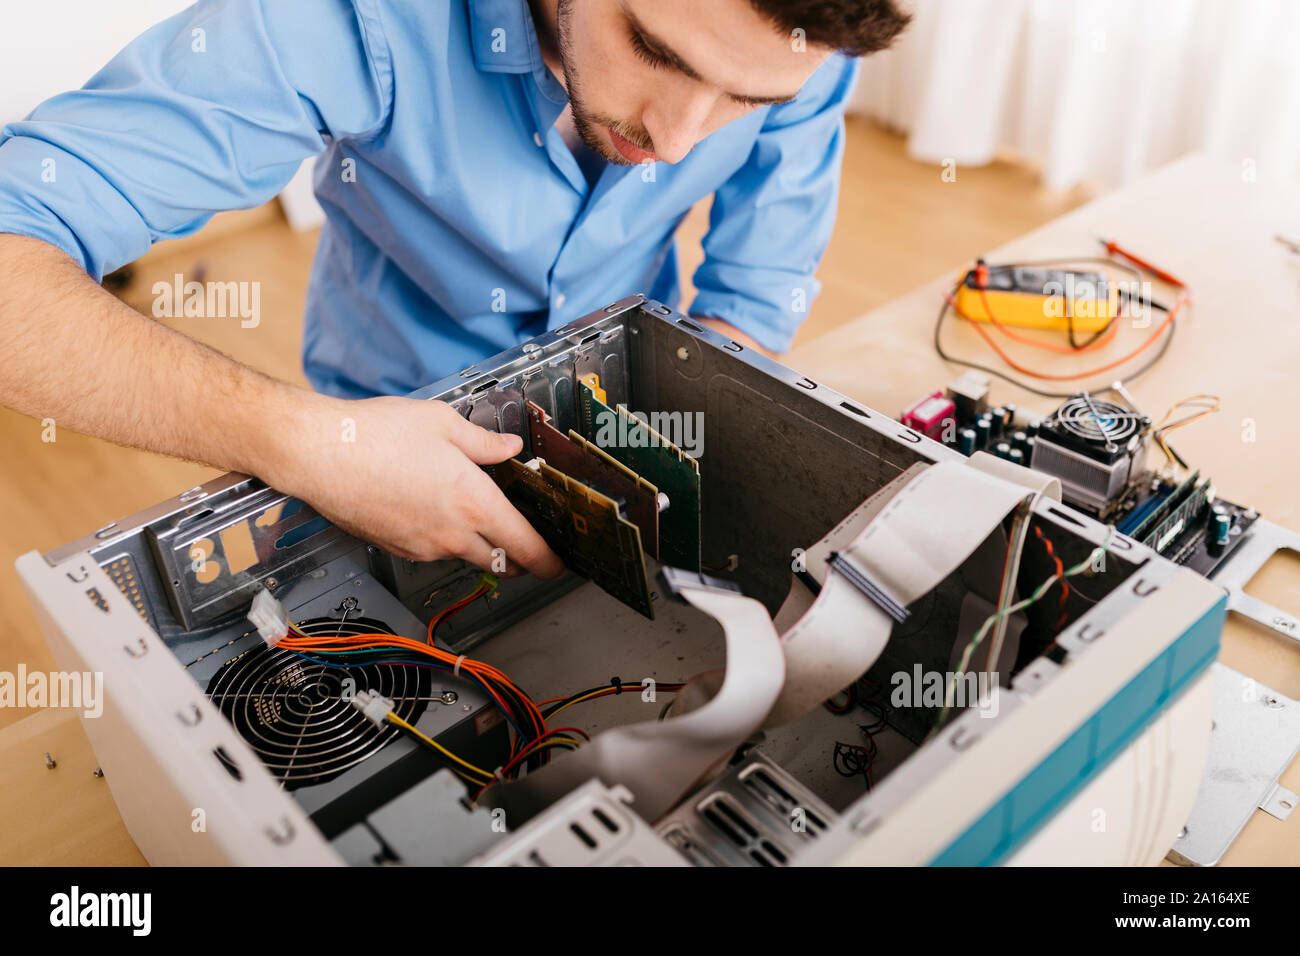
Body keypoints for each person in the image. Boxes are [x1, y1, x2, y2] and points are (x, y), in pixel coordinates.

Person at [0, 0, 909, 577]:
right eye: (654, 49)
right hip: (382, 398)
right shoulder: (354, 17)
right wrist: (304, 441)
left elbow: (756, 289)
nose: (677, 142)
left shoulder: (799, 41)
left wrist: (683, 431)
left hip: (617, 401)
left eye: (748, 100)